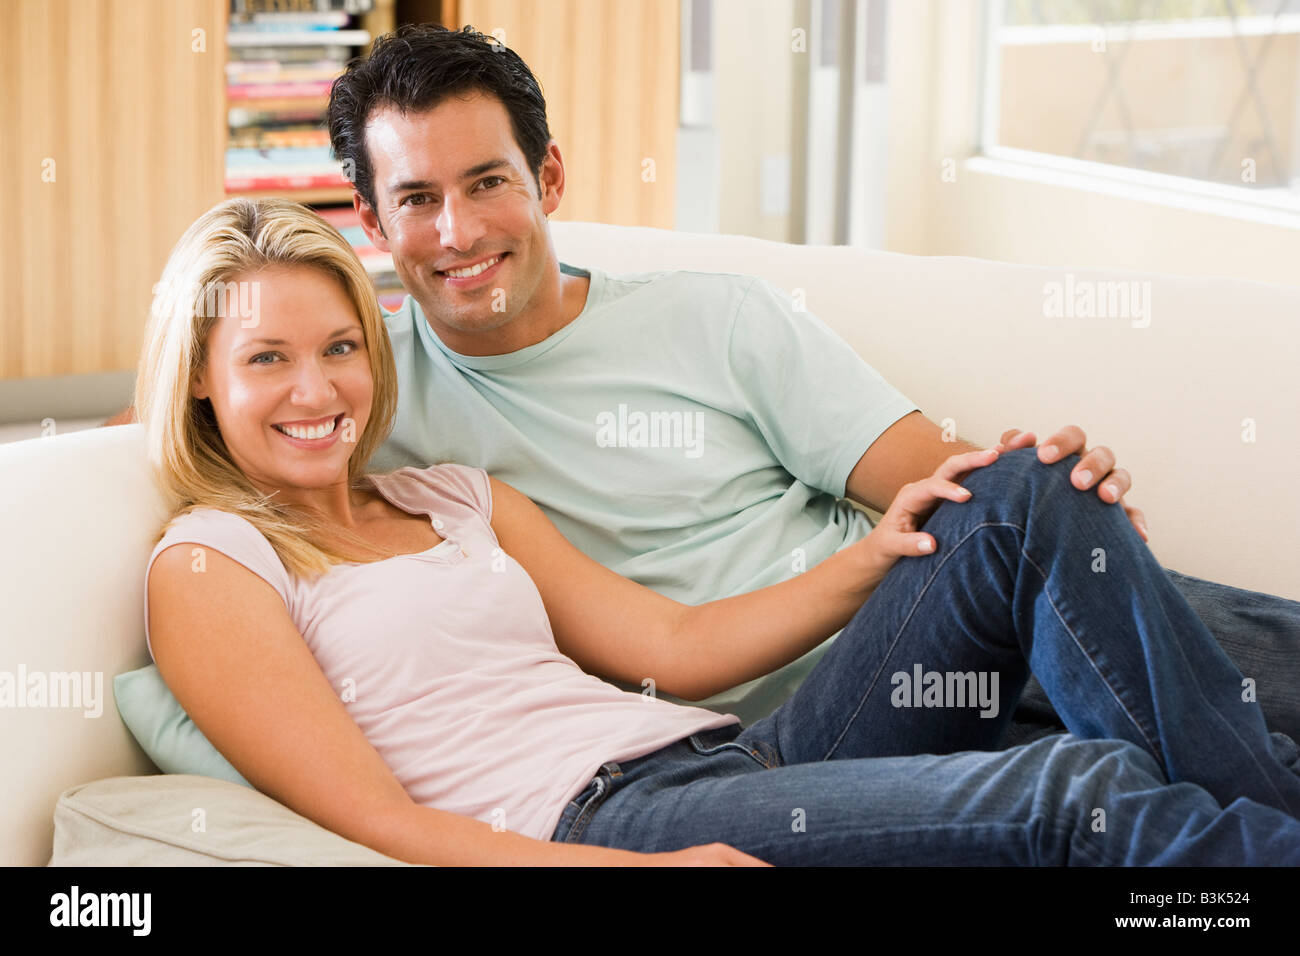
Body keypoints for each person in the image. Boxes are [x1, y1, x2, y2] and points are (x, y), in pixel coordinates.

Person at [110, 22, 1300, 742]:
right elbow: (189, 400)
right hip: (804, 713)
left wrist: (1051, 486)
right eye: (416, 198)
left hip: (932, 612)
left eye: (488, 182)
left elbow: (936, 478)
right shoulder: (355, 390)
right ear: (369, 221)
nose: (459, 229)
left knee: (1092, 566)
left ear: (550, 178)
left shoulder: (714, 317)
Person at [136, 196, 1300, 865]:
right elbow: (379, 819)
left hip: (744, 750)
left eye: (339, 347)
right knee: (1071, 787)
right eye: (265, 359)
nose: (315, 389)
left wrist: (877, 550)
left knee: (1014, 487)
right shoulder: (209, 561)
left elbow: (675, 644)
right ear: (198, 380)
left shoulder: (451, 495)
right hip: (608, 821)